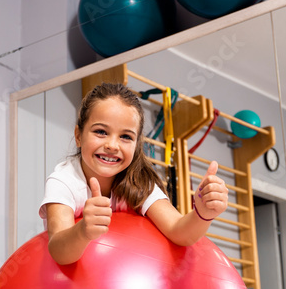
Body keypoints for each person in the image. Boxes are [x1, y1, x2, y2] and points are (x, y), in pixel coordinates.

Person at [40, 82, 228, 265]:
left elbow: (179, 231)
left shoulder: (140, 181)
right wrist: (82, 231)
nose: (112, 145)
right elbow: (59, 251)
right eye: (101, 132)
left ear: (137, 145)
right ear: (79, 135)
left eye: (125, 136)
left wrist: (203, 214)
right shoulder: (63, 181)